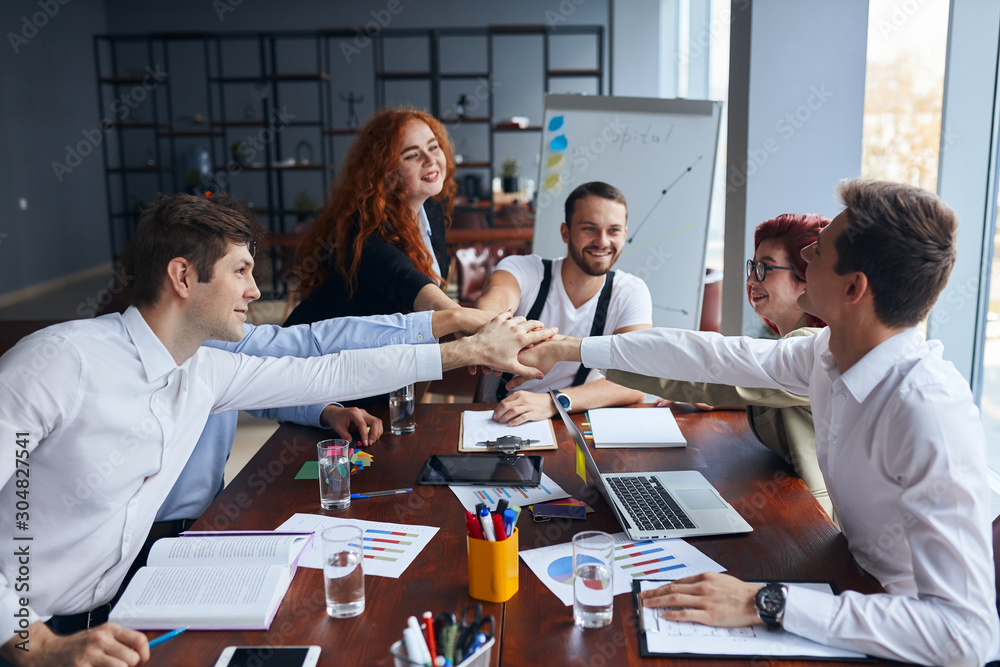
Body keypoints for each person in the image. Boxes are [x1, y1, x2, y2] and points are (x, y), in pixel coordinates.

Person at [0, 193, 553, 666]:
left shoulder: (204, 369)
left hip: (115, 614)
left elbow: (327, 368)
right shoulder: (59, 363)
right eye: (241, 271)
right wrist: (34, 643)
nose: (255, 290)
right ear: (184, 276)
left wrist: (465, 349)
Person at [509, 179, 999, 664]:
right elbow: (710, 355)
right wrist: (572, 348)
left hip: (895, 634)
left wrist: (764, 601)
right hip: (850, 581)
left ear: (854, 288)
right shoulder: (827, 354)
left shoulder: (927, 411)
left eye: (818, 253)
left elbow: (964, 636)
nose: (804, 262)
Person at [606, 214, 834, 518]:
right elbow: (787, 395)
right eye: (752, 266)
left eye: (765, 268)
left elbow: (711, 363)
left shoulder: (814, 347)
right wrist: (726, 399)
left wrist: (580, 351)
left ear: (806, 278)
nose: (752, 280)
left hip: (817, 520)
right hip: (795, 505)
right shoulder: (798, 342)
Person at [474, 181, 652, 425]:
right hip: (500, 417)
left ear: (624, 234)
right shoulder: (525, 270)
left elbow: (638, 381)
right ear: (565, 232)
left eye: (613, 230)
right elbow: (493, 302)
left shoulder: (630, 291)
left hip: (575, 417)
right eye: (589, 229)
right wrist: (487, 325)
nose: (602, 241)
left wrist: (554, 401)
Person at [285, 107, 460, 324]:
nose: (430, 159)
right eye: (412, 155)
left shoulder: (431, 209)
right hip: (319, 348)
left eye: (433, 147)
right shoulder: (361, 228)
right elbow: (414, 289)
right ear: (385, 171)